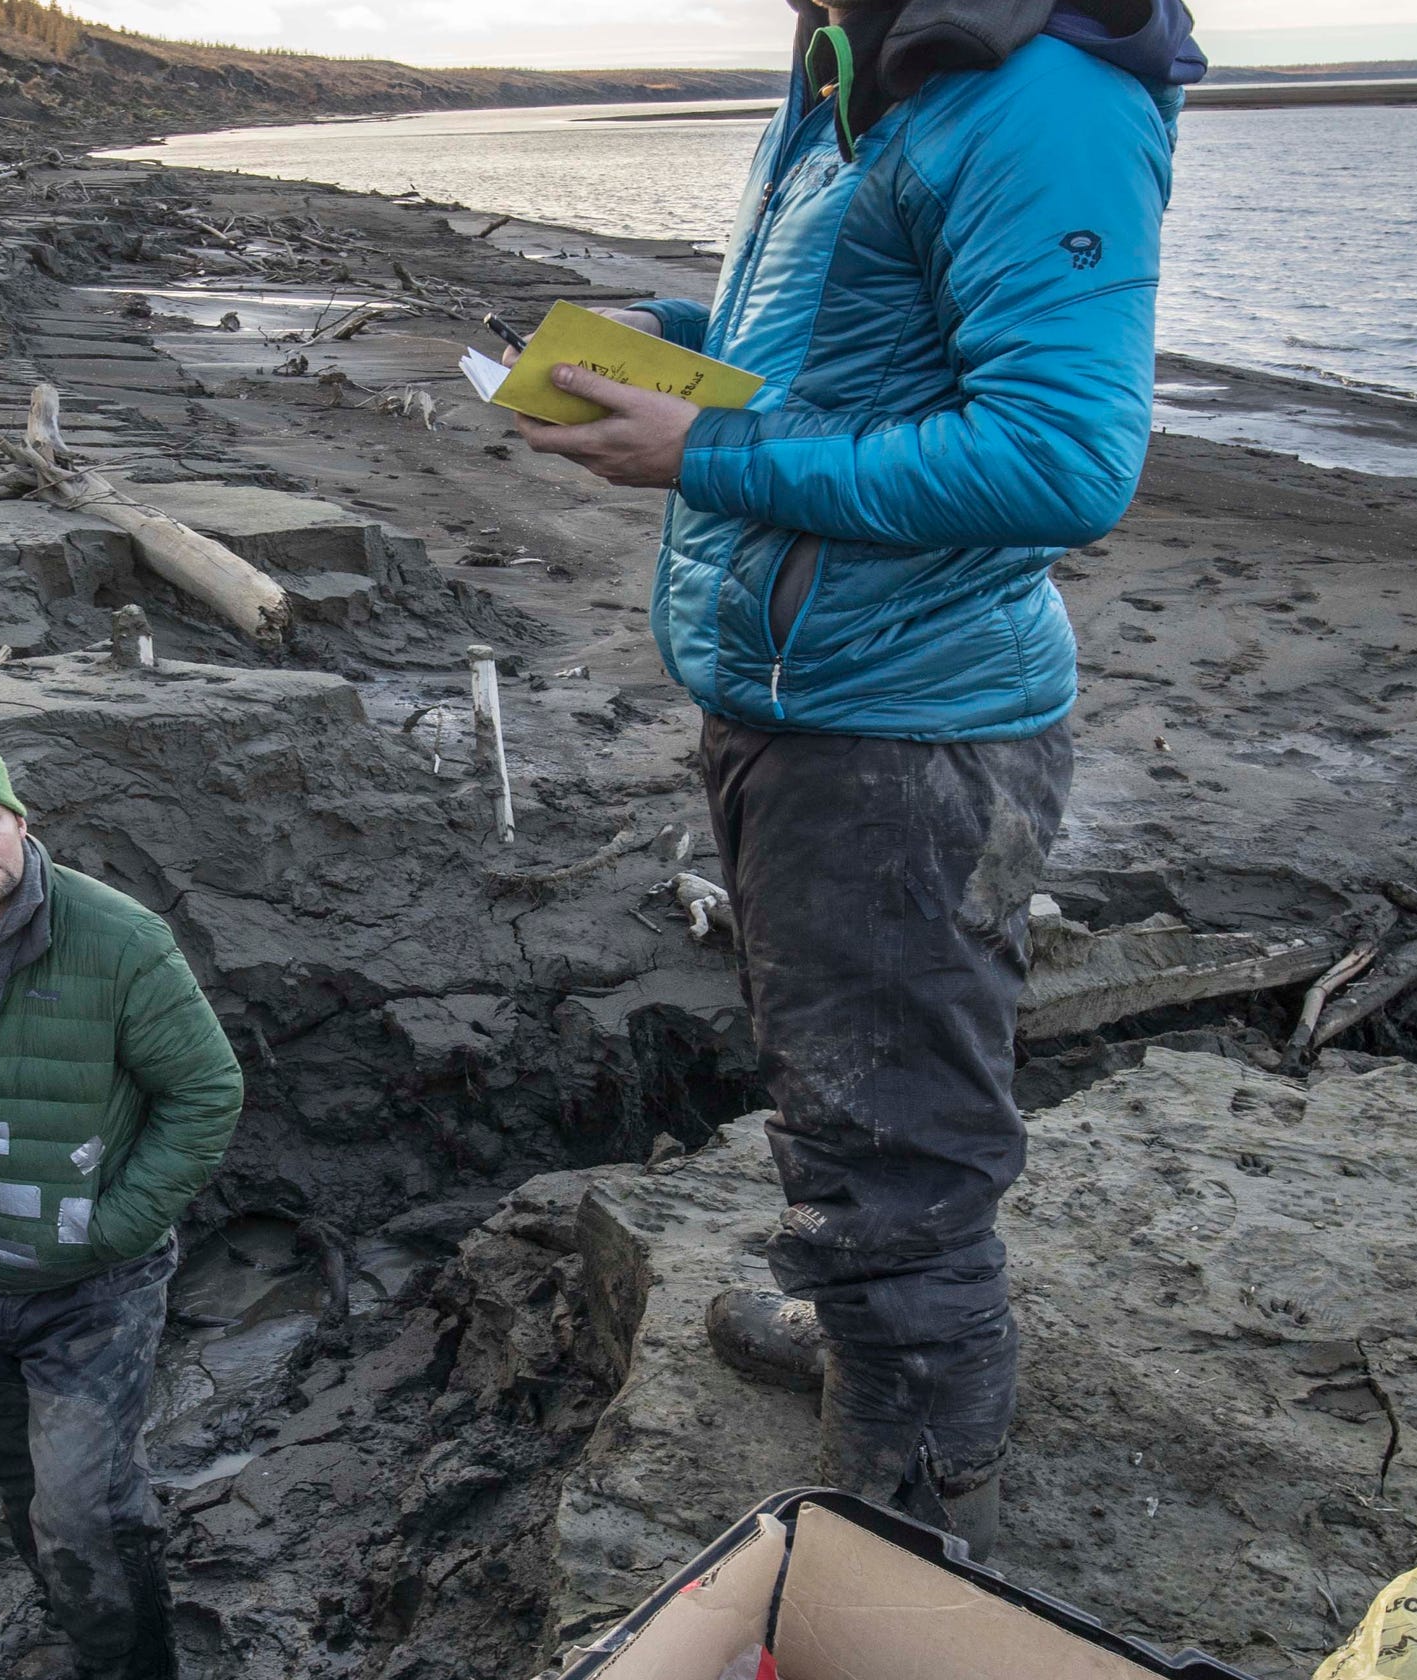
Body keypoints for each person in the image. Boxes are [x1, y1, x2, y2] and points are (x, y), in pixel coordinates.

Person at [512, 0, 1204, 1555]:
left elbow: (1063, 458)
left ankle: (914, 1489)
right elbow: (850, 355)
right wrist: (679, 357)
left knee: (897, 1137)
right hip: (801, 693)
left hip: (911, 734)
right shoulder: (851, 60)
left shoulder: (1046, 100)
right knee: (841, 1096)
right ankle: (869, 1338)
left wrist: (705, 453)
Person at [0, 736, 242, 1680]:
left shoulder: (119, 939)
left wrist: (111, 1229)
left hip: (93, 1288)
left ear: (21, 823)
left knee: (85, 1507)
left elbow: (207, 1092)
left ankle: (131, 1667)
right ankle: (78, 1623)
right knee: (7, 1472)